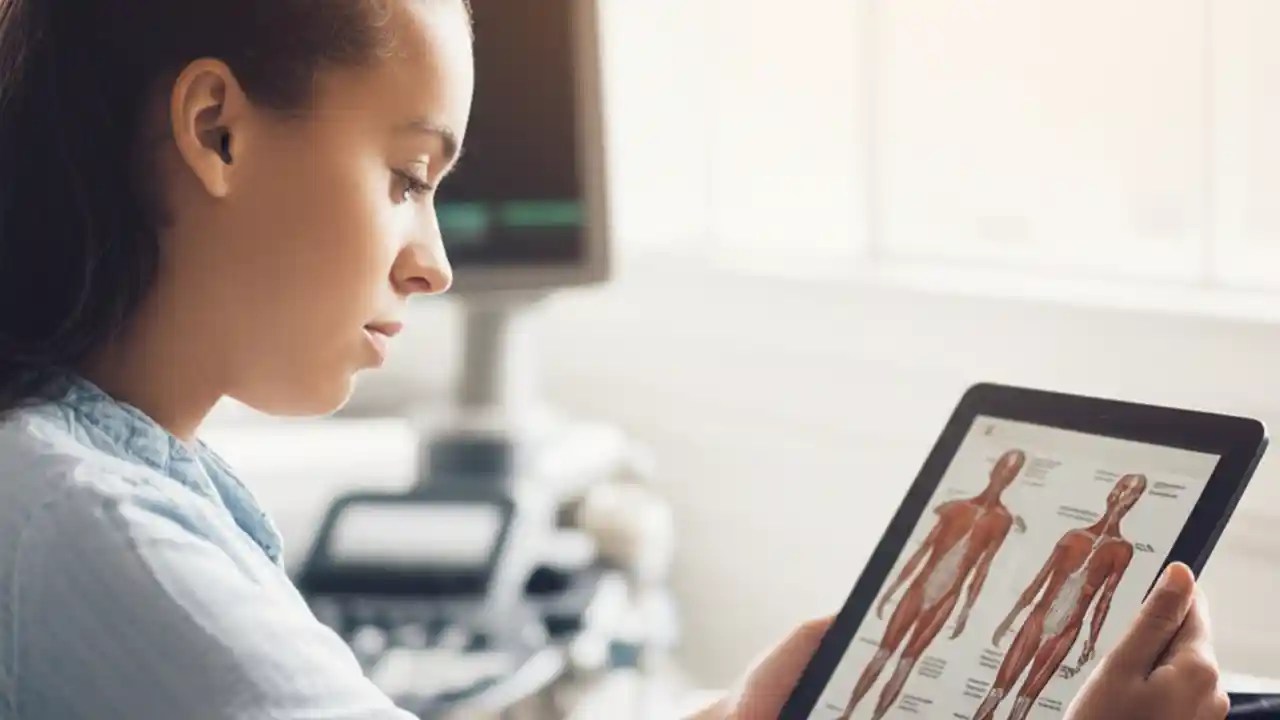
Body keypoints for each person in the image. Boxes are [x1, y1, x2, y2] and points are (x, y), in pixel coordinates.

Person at [0, 1, 1230, 718]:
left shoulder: (86, 472)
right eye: (405, 178)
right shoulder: (106, 542)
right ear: (216, 129)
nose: (430, 261)